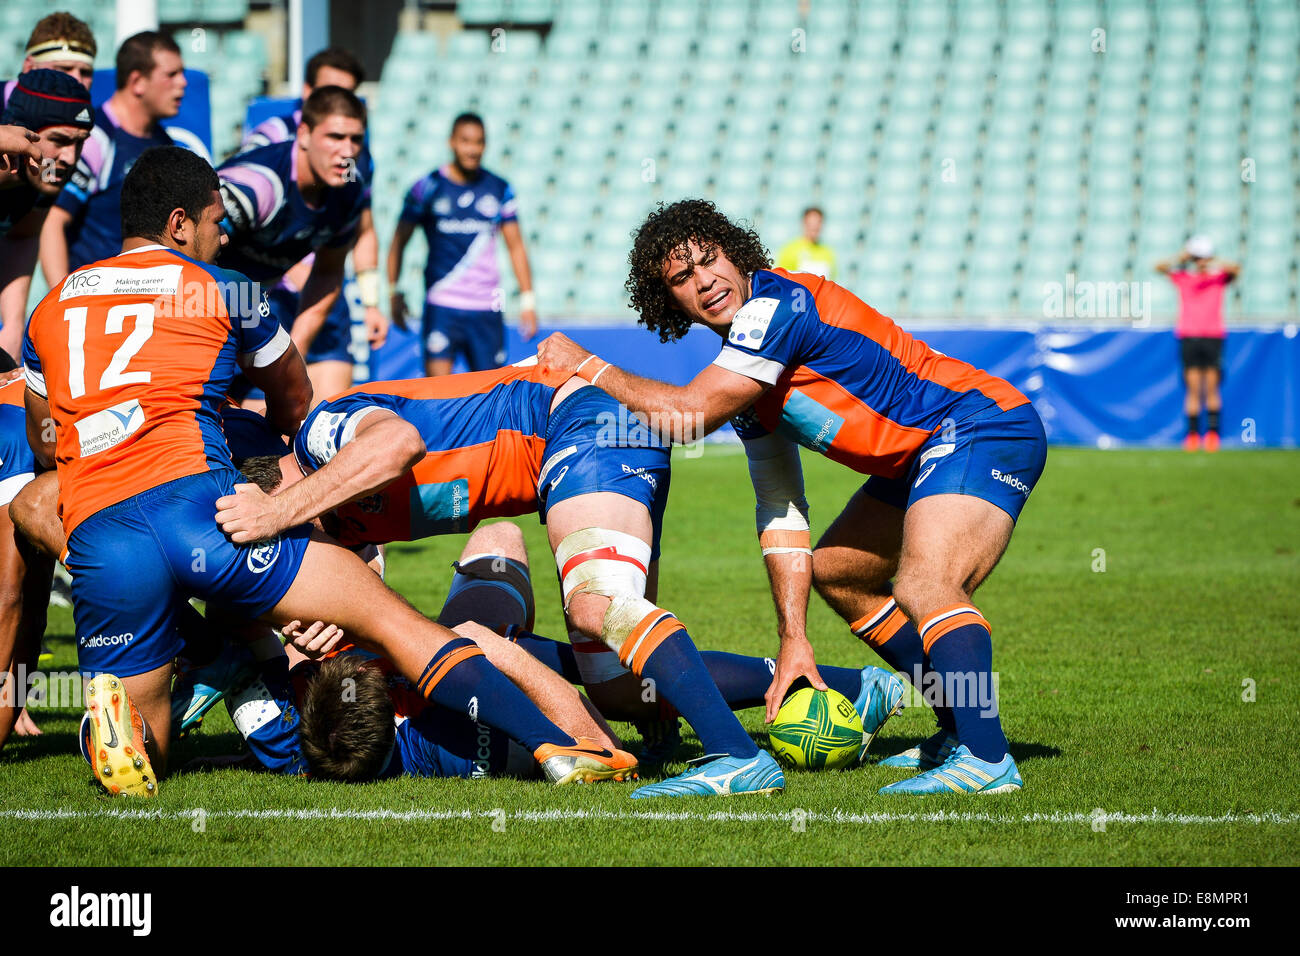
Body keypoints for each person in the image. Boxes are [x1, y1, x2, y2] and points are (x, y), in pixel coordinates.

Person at [23, 145, 630, 797]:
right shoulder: (227, 290)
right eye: (211, 221)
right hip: (202, 510)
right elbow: (294, 397)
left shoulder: (50, 309)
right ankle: (554, 744)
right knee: (400, 625)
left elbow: (44, 435)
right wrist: (271, 445)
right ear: (178, 224)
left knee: (150, 763)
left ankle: (141, 710)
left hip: (102, 534)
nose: (222, 234)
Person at [538, 198, 1048, 796]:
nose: (704, 281)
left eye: (709, 260)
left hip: (979, 425)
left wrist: (590, 367)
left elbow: (690, 414)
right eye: (681, 277)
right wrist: (793, 639)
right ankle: (958, 729)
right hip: (923, 453)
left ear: (738, 252)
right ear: (668, 300)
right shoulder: (747, 369)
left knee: (925, 585)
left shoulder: (776, 308)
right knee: (840, 574)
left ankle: (987, 760)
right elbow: (780, 506)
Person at [213, 363, 798, 798]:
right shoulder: (333, 523)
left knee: (595, 604)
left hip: (577, 420)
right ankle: (843, 686)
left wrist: (275, 520)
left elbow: (400, 443)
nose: (286, 554)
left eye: (277, 538)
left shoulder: (322, 436)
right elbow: (367, 598)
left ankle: (735, 755)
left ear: (274, 491)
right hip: (578, 446)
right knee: (618, 685)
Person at [238, 47, 386, 398]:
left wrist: (371, 301)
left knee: (327, 414)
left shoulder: (355, 156)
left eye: (349, 93)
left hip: (325, 294)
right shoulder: (271, 137)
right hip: (271, 295)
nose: (340, 100)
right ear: (307, 93)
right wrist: (289, 269)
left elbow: (363, 228)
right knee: (255, 419)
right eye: (329, 90)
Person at [217, 86, 369, 404]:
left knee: (278, 429)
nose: (347, 150)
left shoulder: (350, 192)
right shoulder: (257, 187)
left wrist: (289, 357)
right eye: (335, 137)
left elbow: (328, 273)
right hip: (197, 309)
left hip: (249, 309)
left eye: (355, 139)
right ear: (303, 134)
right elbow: (180, 253)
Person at [388, 112, 537, 376]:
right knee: (436, 394)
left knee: (489, 395)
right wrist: (394, 291)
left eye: (479, 142)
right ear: (452, 142)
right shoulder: (427, 187)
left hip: (486, 308)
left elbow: (516, 246)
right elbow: (399, 241)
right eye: (466, 141)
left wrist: (527, 301)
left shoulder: (500, 189)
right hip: (442, 305)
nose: (472, 149)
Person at [40, 31, 185, 284]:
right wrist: (63, 302)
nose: (183, 82)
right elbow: (51, 221)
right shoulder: (92, 140)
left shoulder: (165, 142)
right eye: (171, 74)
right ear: (137, 81)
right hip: (93, 304)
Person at [0, 70, 94, 361]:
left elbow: (22, 235)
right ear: (19, 134)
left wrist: (13, 327)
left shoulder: (43, 176)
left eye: (80, 142)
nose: (70, 157)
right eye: (59, 140)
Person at [1155, 235, 1240, 452]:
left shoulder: (1218, 277)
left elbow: (1236, 270)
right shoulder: (1184, 277)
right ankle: (1192, 436)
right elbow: (1159, 267)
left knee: (1211, 387)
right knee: (1193, 389)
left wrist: (1211, 260)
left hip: (1212, 336)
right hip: (1190, 336)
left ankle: (1212, 435)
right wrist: (1183, 257)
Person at [775, 206, 836, 280]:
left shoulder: (828, 252)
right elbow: (782, 279)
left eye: (818, 222)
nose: (815, 226)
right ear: (803, 223)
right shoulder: (790, 250)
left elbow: (832, 282)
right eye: (811, 222)